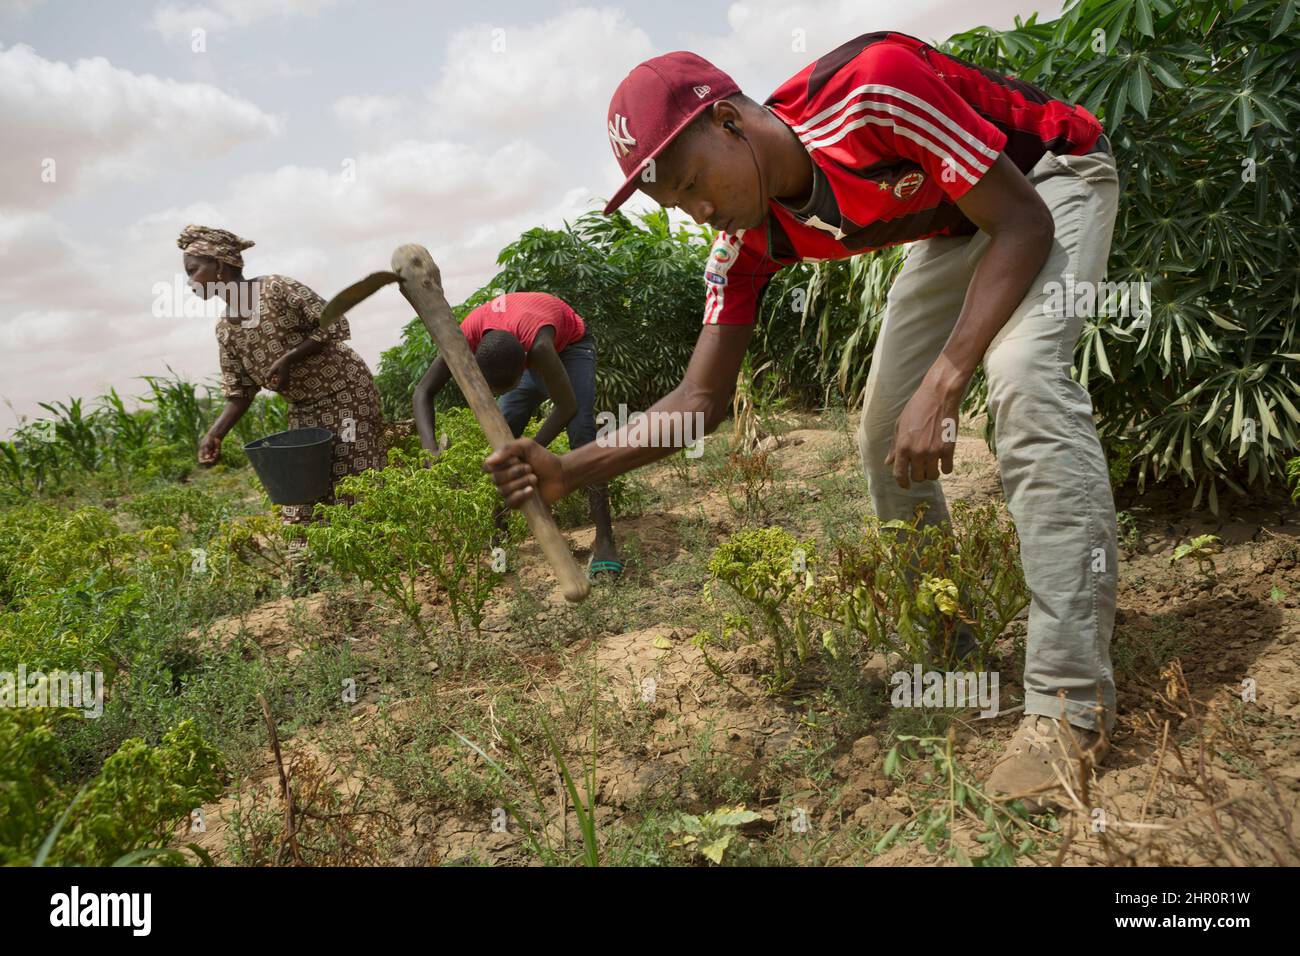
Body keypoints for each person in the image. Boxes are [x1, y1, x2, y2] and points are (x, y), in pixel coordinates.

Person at [483, 34, 1121, 810]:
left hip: (1045, 183)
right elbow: (699, 403)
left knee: (1021, 376)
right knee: (884, 427)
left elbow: (1021, 223)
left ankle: (1068, 704)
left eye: (692, 182)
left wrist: (948, 381)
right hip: (961, 226)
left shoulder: (870, 90)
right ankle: (951, 639)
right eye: (677, 204)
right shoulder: (741, 243)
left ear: (727, 120)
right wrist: (569, 471)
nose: (701, 211)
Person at [181, 224, 386, 525]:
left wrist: (289, 358)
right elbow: (240, 392)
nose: (189, 282)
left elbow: (332, 323)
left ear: (220, 265)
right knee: (301, 488)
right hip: (303, 407)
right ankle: (304, 567)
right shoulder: (226, 329)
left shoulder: (276, 288)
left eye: (193, 271)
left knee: (353, 474)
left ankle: (373, 553)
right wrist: (215, 434)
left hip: (345, 392)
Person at [412, 291, 621, 580]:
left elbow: (567, 406)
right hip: (519, 347)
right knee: (500, 447)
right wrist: (430, 450)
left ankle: (605, 542)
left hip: (569, 348)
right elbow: (423, 392)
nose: (500, 395)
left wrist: (530, 451)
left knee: (582, 434)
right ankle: (500, 548)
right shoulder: (467, 337)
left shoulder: (539, 347)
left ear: (523, 367)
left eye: (505, 388)